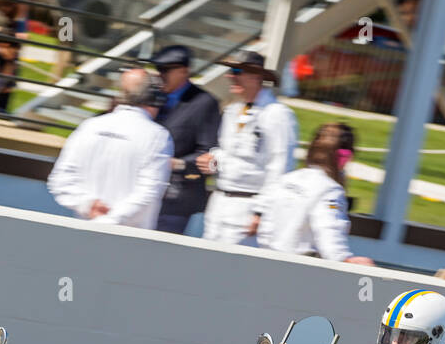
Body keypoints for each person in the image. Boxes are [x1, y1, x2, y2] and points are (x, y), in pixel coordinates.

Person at [47, 67, 173, 230]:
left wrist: (87, 205)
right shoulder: (158, 136)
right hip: (130, 239)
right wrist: (109, 220)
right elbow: (150, 192)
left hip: (83, 230)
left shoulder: (90, 126)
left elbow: (60, 180)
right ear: (156, 100)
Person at [196, 50, 297, 245]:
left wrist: (261, 212)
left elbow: (280, 167)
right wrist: (214, 161)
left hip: (248, 207)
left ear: (255, 76)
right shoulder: (233, 110)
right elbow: (228, 153)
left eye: (236, 71)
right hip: (219, 202)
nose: (229, 76)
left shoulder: (277, 114)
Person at [255, 122, 373, 264]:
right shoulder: (330, 191)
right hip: (300, 273)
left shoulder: (285, 180)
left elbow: (264, 227)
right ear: (344, 157)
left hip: (266, 262)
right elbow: (329, 234)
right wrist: (348, 260)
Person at [150, 44, 220, 234]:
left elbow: (207, 152)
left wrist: (177, 164)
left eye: (165, 70)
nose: (160, 75)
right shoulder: (153, 97)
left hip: (177, 198)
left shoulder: (204, 103)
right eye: (158, 70)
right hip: (148, 191)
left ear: (183, 71)